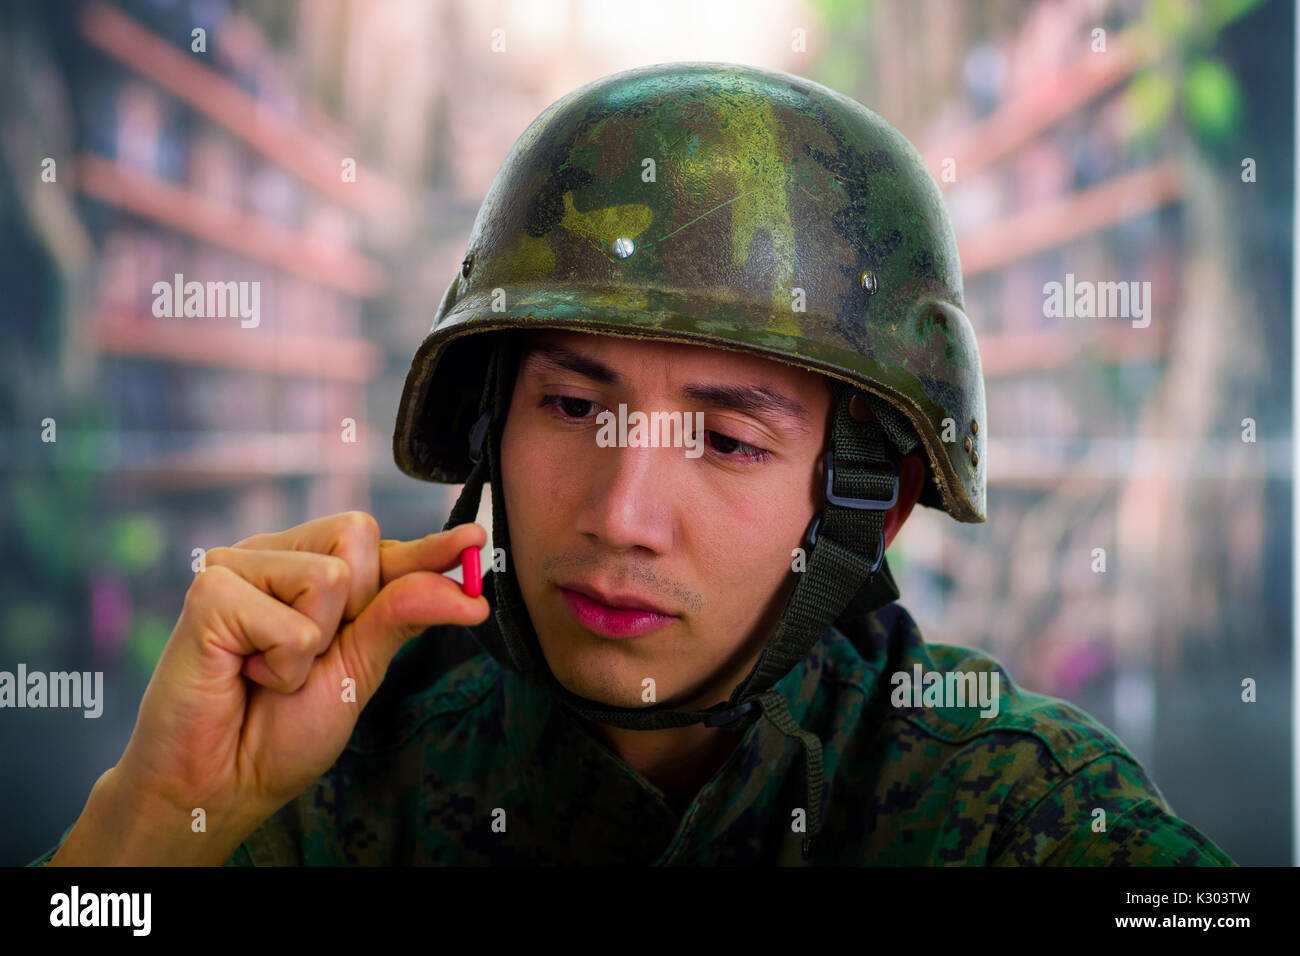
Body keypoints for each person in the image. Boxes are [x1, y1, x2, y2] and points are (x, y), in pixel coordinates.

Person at [32, 62, 1232, 866]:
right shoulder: (333, 766)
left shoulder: (1013, 809)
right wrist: (154, 817)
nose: (622, 514)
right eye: (570, 403)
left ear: (876, 497)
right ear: (490, 422)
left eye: (725, 438)